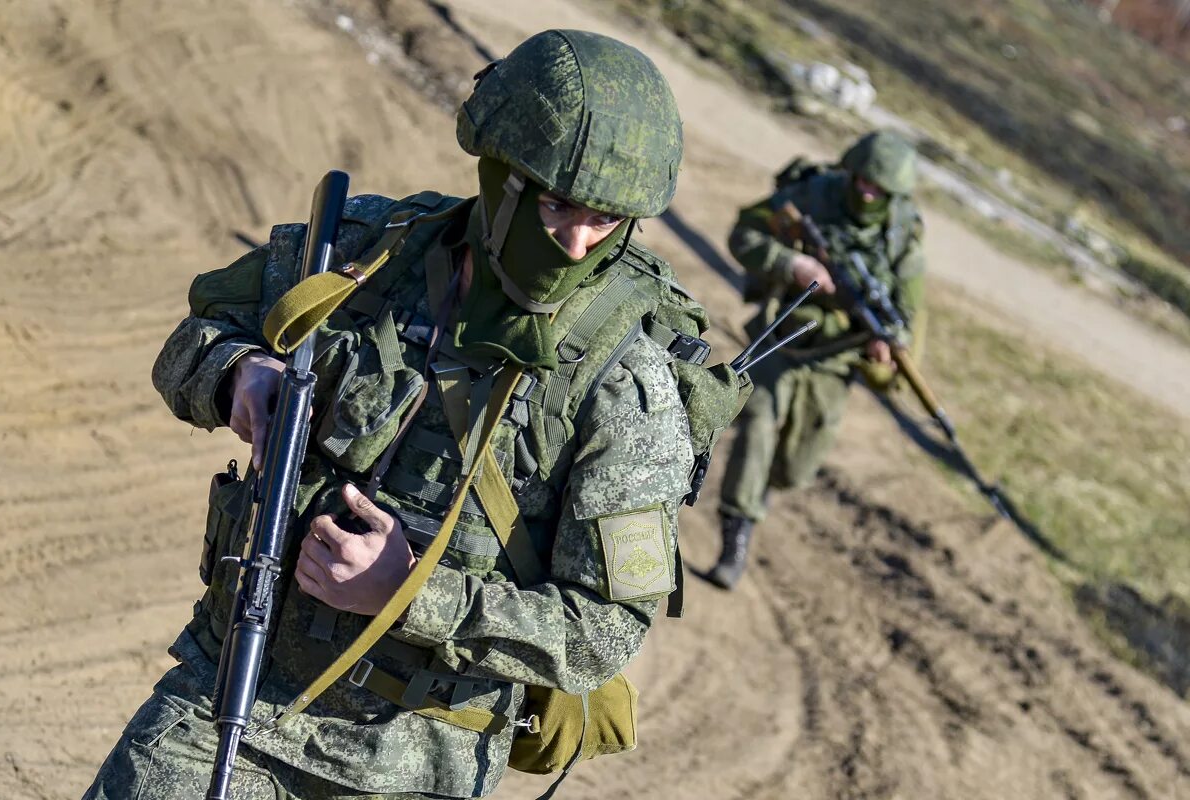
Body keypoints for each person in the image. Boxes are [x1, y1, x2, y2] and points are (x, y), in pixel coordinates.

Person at [85, 29, 738, 799]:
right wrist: (237, 375)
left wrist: (407, 593)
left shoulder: (627, 383)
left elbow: (604, 630)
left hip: (415, 760)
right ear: (499, 171)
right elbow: (190, 342)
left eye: (606, 220)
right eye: (556, 204)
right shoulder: (367, 253)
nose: (574, 243)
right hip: (230, 690)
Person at [704, 129, 925, 590]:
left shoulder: (903, 236)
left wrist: (885, 344)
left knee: (796, 468)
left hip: (835, 360)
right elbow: (743, 234)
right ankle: (735, 536)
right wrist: (792, 264)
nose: (867, 193)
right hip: (783, 336)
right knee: (758, 423)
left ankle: (760, 489)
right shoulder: (813, 195)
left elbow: (906, 313)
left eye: (879, 189)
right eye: (862, 180)